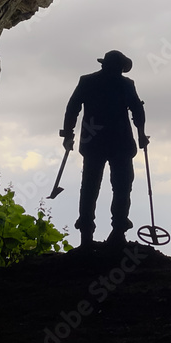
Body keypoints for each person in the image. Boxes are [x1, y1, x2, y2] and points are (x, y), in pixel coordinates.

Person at [60, 50, 149, 249]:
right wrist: (141, 134)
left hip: (94, 143)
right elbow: (137, 110)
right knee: (122, 187)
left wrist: (68, 134)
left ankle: (87, 236)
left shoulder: (87, 82)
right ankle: (117, 232)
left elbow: (72, 107)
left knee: (91, 187)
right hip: (120, 143)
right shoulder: (126, 84)